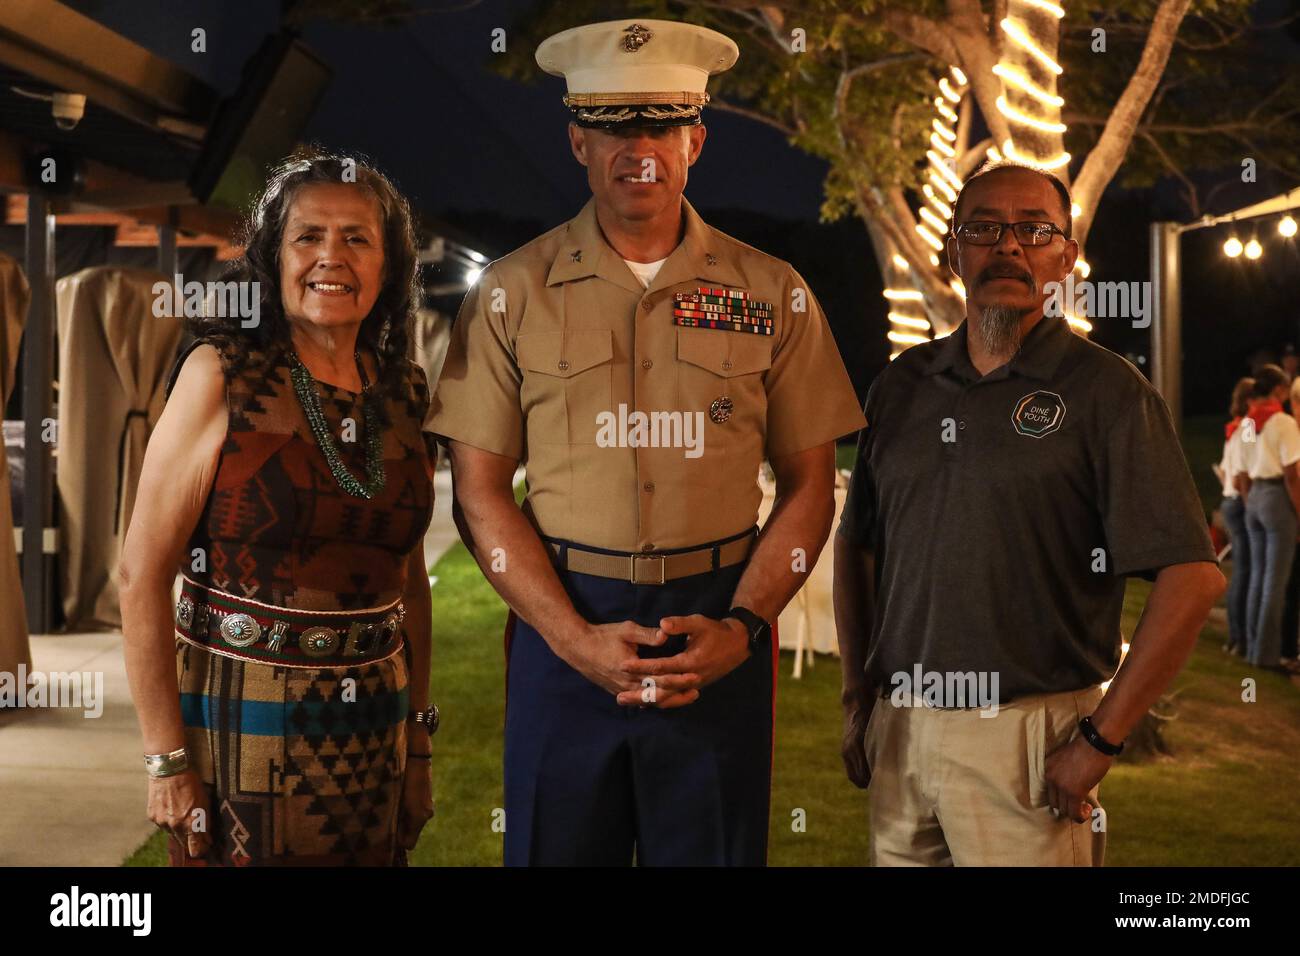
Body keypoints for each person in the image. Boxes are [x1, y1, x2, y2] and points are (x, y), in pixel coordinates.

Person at [426, 18, 865, 866]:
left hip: (718, 625)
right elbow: (479, 491)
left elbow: (811, 484)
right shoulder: (514, 291)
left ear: (695, 138)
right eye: (613, 127)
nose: (640, 148)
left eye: (661, 123)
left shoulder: (774, 291)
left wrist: (743, 627)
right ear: (577, 141)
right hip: (566, 621)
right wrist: (569, 636)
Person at [834, 160, 1224, 866]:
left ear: (1066, 257)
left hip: (1030, 737)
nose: (1008, 246)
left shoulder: (1108, 391)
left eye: (1034, 230)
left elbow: (1193, 578)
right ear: (953, 250)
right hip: (900, 728)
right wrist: (856, 697)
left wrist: (1103, 739)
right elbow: (857, 546)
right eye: (984, 228)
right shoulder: (901, 386)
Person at [120, 152, 439, 865]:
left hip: (374, 734)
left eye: (357, 237)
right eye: (309, 236)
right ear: (272, 256)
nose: (332, 256)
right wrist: (167, 763)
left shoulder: (407, 394)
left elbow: (410, 579)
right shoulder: (221, 374)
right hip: (242, 725)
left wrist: (418, 742)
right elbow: (139, 576)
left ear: (390, 265)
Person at [1242, 364, 1300, 673]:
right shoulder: (1283, 422)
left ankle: (1253, 648)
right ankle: (1266, 657)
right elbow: (1292, 474)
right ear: (1278, 390)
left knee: (1258, 578)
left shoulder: (1249, 422)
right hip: (1277, 498)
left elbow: (1246, 464)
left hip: (1255, 497)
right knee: (1275, 583)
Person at [1219, 377, 1254, 656]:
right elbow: (1245, 470)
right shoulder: (1248, 427)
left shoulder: (1234, 428)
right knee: (1245, 571)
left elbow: (1225, 468)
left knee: (1242, 570)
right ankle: (1240, 637)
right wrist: (1250, 502)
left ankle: (1235, 637)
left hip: (1230, 500)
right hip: (1240, 503)